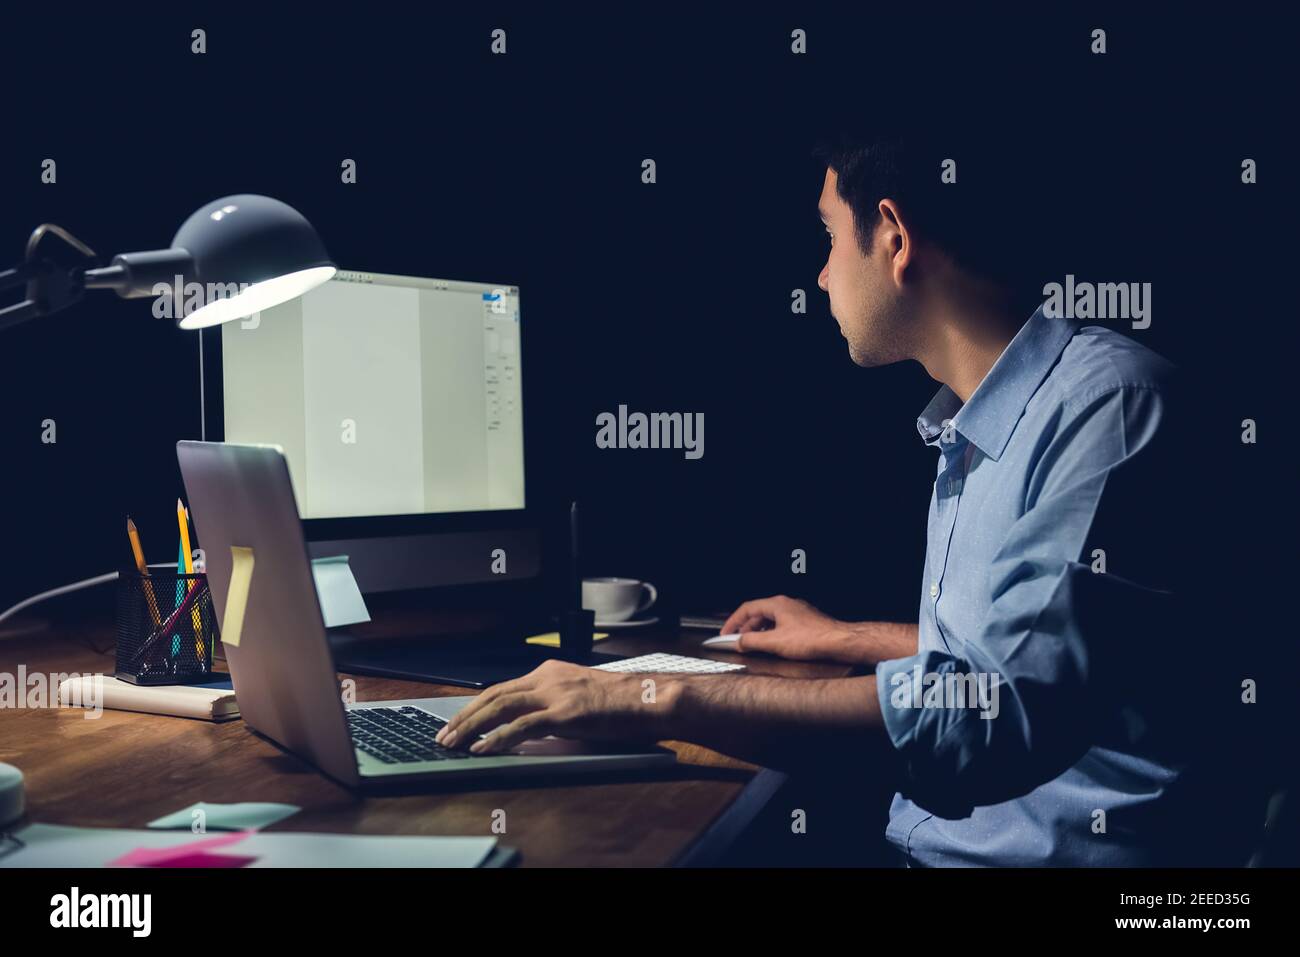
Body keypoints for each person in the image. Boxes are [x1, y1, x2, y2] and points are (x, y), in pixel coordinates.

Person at [435, 130, 1242, 866]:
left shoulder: (1113, 407)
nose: (821, 274)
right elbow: (1024, 650)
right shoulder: (982, 419)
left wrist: (651, 694)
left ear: (892, 236)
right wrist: (848, 636)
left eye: (827, 237)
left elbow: (992, 710)